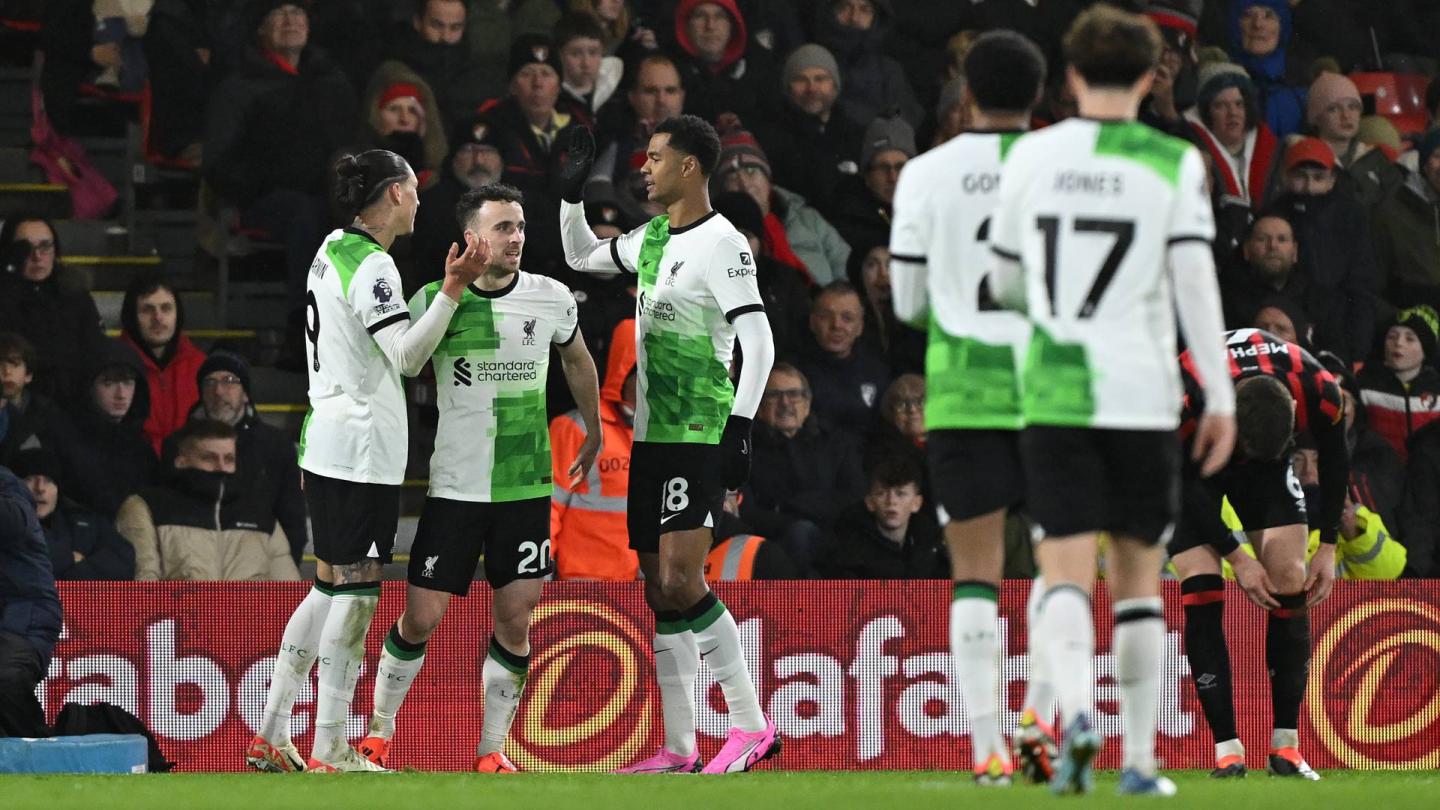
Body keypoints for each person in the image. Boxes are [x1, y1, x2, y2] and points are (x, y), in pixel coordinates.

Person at [988, 6, 1236, 796]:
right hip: (1140, 392)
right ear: (1148, 76)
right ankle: (1136, 760)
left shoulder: (1030, 156)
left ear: (1068, 77)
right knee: (1137, 585)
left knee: (1062, 573)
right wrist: (1223, 395)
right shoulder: (1176, 161)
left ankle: (1076, 718)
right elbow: (1196, 282)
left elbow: (1002, 280)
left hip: (1055, 389)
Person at [246, 149, 488, 774]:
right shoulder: (374, 266)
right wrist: (453, 291)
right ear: (390, 196)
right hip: (359, 451)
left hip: (326, 437)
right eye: (412, 188)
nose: (419, 199)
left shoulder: (331, 248)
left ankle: (272, 733)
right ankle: (330, 746)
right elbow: (407, 355)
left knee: (327, 588)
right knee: (354, 597)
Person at [558, 114, 780, 773]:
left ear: (689, 167)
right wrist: (570, 193)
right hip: (653, 437)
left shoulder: (724, 243)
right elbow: (578, 257)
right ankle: (680, 747)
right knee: (658, 588)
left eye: (656, 158)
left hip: (697, 432)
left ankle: (750, 726)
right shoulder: (653, 237)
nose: (645, 169)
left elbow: (759, 341)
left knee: (685, 579)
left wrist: (739, 426)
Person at [355, 183, 599, 772]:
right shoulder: (432, 301)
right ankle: (379, 733)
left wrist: (594, 428)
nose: (515, 237)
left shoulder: (552, 299)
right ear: (471, 238)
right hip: (456, 489)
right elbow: (395, 367)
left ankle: (491, 750)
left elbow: (576, 358)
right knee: (421, 618)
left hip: (524, 487)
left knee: (516, 620)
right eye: (502, 227)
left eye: (519, 226)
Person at [889, 28, 1045, 786]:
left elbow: (911, 300)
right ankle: (1043, 713)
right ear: (1038, 95)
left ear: (968, 95)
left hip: (963, 391)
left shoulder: (924, 173)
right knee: (1063, 563)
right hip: (1054, 392)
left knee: (976, 575)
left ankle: (988, 746)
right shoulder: (1065, 173)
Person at [1167, 328, 1343, 781]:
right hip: (1191, 466)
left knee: (1291, 577)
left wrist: (1328, 545)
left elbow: (1336, 456)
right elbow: (1173, 480)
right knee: (1202, 585)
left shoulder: (1319, 387)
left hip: (1264, 467)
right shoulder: (1181, 394)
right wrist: (1237, 557)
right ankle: (1227, 749)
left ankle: (1286, 747)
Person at [203, 1, 357, 321]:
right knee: (307, 213)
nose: (291, 21)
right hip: (264, 200)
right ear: (261, 27)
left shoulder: (331, 81)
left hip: (330, 193)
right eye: (279, 13)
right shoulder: (240, 87)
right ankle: (304, 322)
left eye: (298, 12)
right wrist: (265, 177)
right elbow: (219, 162)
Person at [167, 351, 307, 565]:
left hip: (259, 570)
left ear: (246, 392)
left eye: (230, 381)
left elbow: (292, 522)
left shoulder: (275, 446)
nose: (219, 391)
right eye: (209, 382)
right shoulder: (178, 445)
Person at [117, 419, 298, 582]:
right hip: (180, 618)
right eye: (208, 458)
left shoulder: (260, 515)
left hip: (251, 619)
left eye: (228, 459)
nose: (221, 467)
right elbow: (143, 588)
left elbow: (290, 594)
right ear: (181, 461)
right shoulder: (146, 507)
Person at [745, 363, 867, 574]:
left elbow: (854, 497)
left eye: (794, 394)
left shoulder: (837, 444)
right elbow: (746, 511)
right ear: (759, 407)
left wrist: (792, 507)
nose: (785, 403)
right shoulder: (745, 450)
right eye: (774, 395)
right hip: (771, 545)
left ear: (808, 404)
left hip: (835, 537)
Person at [1270, 137, 1377, 362]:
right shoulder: (1272, 215)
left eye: (1318, 178)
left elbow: (1362, 287)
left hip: (1339, 333)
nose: (1309, 186)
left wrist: (1359, 352)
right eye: (1301, 177)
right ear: (1285, 176)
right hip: (1283, 330)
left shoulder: (1352, 217)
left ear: (1333, 179)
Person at [550, 318, 639, 581]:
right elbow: (547, 509)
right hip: (580, 584)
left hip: (637, 588)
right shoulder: (575, 429)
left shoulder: (660, 434)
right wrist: (539, 583)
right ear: (627, 372)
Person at [712, 127, 851, 286]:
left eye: (751, 171)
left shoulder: (808, 220)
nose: (744, 184)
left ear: (767, 178)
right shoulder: (721, 231)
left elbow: (846, 266)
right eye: (732, 177)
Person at [0, 215, 107, 405]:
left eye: (45, 246)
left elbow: (96, 354)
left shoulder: (76, 296)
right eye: (25, 249)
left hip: (72, 405)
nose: (37, 256)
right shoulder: (5, 298)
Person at [750, 43, 865, 218]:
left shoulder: (858, 135)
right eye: (800, 79)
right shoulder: (771, 139)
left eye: (820, 79)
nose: (811, 88)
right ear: (787, 88)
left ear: (835, 85)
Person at [0, 463, 61, 737]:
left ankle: (44, 755)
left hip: (22, 616)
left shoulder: (9, 486)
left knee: (5, 681)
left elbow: (13, 521)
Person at [12, 447, 134, 581]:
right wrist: (70, 558)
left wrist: (72, 575)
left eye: (49, 480)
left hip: (84, 600)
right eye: (30, 479)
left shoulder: (87, 520)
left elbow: (123, 560)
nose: (40, 488)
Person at [119, 274, 207, 456]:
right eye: (147, 309)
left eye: (166, 308)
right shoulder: (114, 367)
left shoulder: (201, 366)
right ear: (132, 316)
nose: (158, 318)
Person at [817, 454, 944, 579]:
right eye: (881, 493)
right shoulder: (848, 547)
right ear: (870, 502)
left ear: (916, 503)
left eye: (900, 494)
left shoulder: (931, 541)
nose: (891, 501)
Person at [72, 340, 157, 517]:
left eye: (128, 383)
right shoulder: (68, 444)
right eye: (108, 383)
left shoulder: (142, 450)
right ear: (89, 387)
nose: (121, 394)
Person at [808, 0, 923, 130]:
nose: (854, 18)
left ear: (876, 17)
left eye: (865, 10)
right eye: (845, 7)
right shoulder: (809, 64)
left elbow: (903, 121)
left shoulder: (888, 70)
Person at [798, 282, 890, 435]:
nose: (836, 325)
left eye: (847, 318)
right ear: (812, 322)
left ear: (860, 327)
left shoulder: (877, 371)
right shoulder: (793, 373)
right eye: (825, 317)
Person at [669, 0, 778, 127]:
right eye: (700, 16)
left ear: (733, 26)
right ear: (685, 26)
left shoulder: (761, 70)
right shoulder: (669, 72)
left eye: (720, 17)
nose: (710, 26)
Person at [1185, 60, 1278, 207]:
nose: (1233, 113)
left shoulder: (1274, 150)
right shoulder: (1192, 149)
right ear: (1206, 113)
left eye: (1239, 104)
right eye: (1220, 105)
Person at [1305, 72, 1403, 209]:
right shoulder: (1301, 162)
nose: (1346, 116)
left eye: (1353, 107)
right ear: (1316, 117)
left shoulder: (1377, 160)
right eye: (1333, 109)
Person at [1357, 306, 1440, 463]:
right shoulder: (1365, 384)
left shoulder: (1437, 388)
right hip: (1381, 475)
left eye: (1410, 339)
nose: (1399, 343)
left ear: (1426, 350)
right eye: (1392, 337)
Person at [1371, 129, 1440, 311]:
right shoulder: (1391, 212)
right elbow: (1376, 285)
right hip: (1410, 328)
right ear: (1424, 164)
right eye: (1438, 156)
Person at [831, 115, 915, 255]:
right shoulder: (849, 225)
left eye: (900, 167)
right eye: (883, 167)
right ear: (867, 177)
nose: (892, 178)